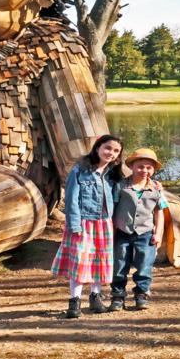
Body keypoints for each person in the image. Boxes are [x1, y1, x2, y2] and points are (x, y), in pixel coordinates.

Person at [53, 134, 124, 318]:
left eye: (116, 151)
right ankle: (74, 301)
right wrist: (74, 224)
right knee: (79, 262)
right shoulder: (80, 170)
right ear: (97, 147)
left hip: (104, 223)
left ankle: (95, 297)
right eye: (108, 148)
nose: (111, 153)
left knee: (100, 260)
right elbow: (71, 200)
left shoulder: (113, 174)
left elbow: (117, 199)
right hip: (83, 222)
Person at [109, 147, 170, 311]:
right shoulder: (121, 187)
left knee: (144, 264)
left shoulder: (156, 189)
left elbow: (159, 214)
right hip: (123, 232)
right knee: (120, 264)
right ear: (132, 167)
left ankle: (141, 294)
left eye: (149, 167)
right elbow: (112, 210)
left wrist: (158, 234)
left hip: (145, 233)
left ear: (154, 170)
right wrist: (112, 231)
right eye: (140, 166)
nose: (144, 170)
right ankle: (117, 296)